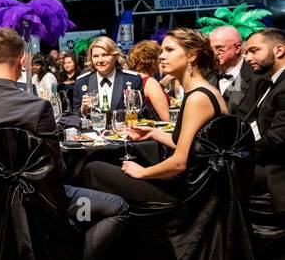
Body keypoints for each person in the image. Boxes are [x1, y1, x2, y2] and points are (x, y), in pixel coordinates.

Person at [0, 28, 129, 260]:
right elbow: (55, 169)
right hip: (41, 202)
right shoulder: (36, 107)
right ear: (22, 61)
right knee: (118, 208)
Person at [83, 30, 228, 205]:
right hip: (196, 181)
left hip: (188, 191)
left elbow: (179, 163)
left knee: (92, 168)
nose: (161, 56)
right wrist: (152, 133)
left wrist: (143, 172)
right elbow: (186, 144)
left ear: (191, 56)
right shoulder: (203, 90)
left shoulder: (198, 97)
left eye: (169, 50)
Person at [244, 28, 285, 211]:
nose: (247, 58)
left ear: (279, 50)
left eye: (254, 50)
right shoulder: (269, 83)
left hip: (277, 173)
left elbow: (277, 139)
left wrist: (239, 151)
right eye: (246, 53)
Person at [69, 36, 144, 118]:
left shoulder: (133, 80)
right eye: (96, 56)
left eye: (105, 55)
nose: (100, 60)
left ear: (115, 56)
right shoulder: (81, 82)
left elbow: (140, 115)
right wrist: (83, 110)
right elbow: (75, 117)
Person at [209, 24, 259, 122]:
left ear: (237, 48)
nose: (214, 54)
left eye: (219, 48)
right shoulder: (206, 76)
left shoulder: (257, 77)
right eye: (211, 49)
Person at [126, 41, 172, 121]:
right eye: (160, 58)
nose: (162, 61)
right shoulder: (150, 82)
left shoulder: (131, 79)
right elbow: (166, 118)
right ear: (153, 61)